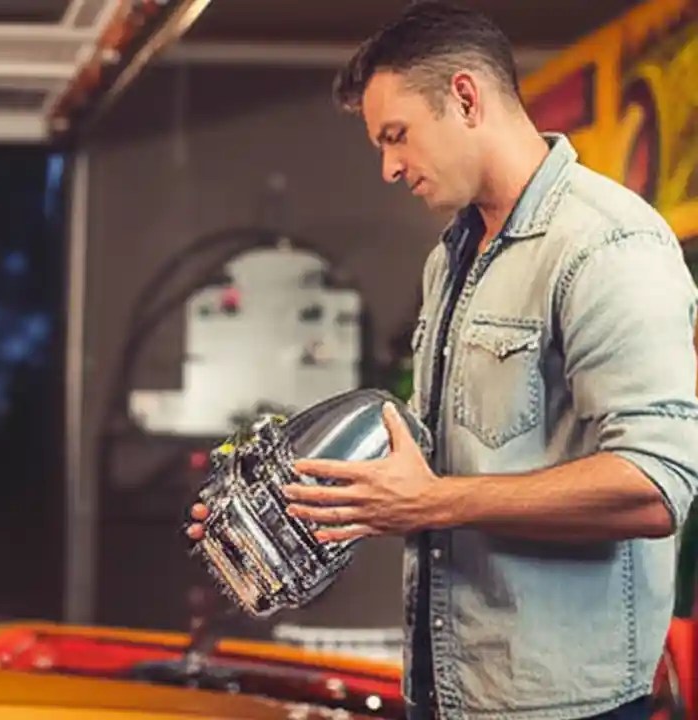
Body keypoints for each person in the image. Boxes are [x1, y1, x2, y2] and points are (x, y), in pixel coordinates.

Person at [185, 2, 698, 719]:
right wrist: (297, 510)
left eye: (396, 137)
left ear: (464, 98)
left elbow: (655, 484)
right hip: (448, 694)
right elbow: (442, 471)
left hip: (563, 706)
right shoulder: (451, 259)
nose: (390, 168)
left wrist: (428, 502)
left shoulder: (608, 246)